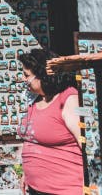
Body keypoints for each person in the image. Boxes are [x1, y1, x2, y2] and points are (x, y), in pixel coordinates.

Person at [17, 48, 83, 195]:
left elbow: (85, 145)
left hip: (64, 189)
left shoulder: (69, 100)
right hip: (36, 188)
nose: (23, 79)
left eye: (27, 75)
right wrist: (26, 173)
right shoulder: (36, 98)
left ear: (42, 76)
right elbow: (32, 139)